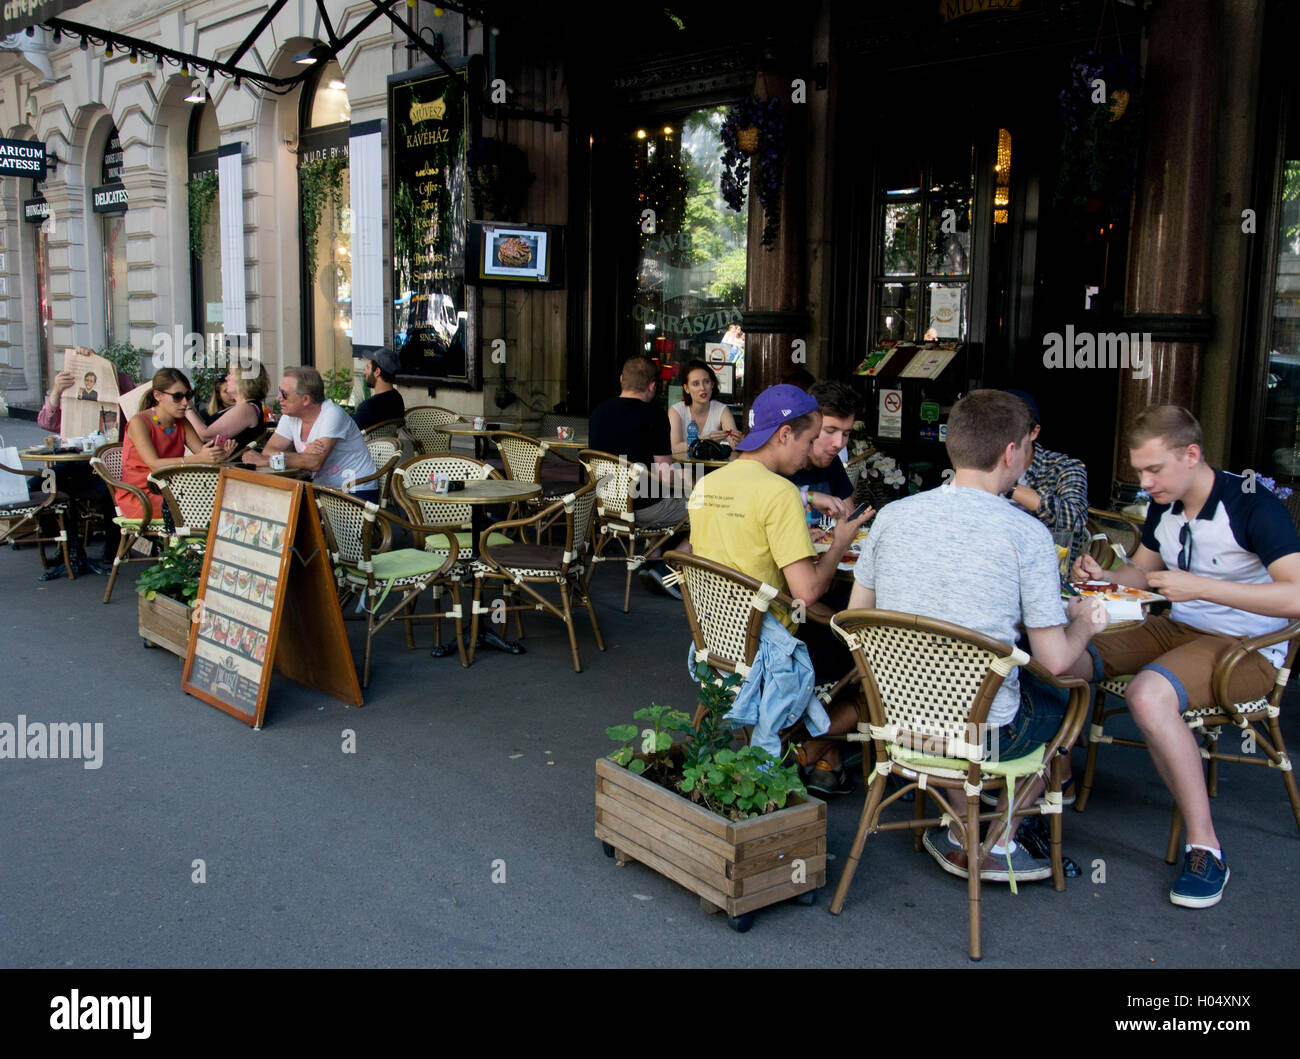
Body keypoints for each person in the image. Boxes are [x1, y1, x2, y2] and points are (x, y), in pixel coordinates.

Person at [847, 390, 1109, 882]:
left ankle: (958, 821)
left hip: (897, 720)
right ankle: (997, 838)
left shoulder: (892, 516)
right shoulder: (1026, 534)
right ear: (1012, 452)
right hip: (981, 736)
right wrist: (1085, 624)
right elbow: (1053, 661)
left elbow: (856, 618)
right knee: (1067, 695)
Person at [1066, 405, 1300, 908]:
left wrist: (1203, 588)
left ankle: (1205, 846)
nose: (1145, 482)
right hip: (1175, 629)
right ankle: (1052, 783)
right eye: (1139, 471)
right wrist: (1102, 575)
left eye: (1154, 470)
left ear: (1191, 455)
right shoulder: (1165, 504)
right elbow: (1143, 575)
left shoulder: (1253, 504)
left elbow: (1297, 596)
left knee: (1149, 698)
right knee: (1059, 653)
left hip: (1246, 648)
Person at [687, 384, 874, 793]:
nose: (810, 453)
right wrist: (840, 541)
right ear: (784, 435)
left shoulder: (706, 486)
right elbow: (807, 595)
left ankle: (820, 755)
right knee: (874, 664)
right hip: (767, 646)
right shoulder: (780, 493)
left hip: (715, 639)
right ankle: (809, 748)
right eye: (809, 440)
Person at [589, 354, 690, 598]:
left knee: (661, 494)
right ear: (653, 386)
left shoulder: (598, 413)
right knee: (706, 507)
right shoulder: (655, 415)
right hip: (644, 508)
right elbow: (665, 475)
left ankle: (651, 557)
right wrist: (691, 481)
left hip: (606, 506)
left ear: (622, 380)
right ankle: (668, 570)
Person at [243, 366, 378, 501]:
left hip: (355, 492)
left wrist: (268, 461)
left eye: (284, 394)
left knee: (288, 512)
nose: (278, 398)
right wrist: (303, 457)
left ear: (306, 400)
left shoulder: (332, 414)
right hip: (324, 491)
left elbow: (314, 463)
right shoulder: (290, 416)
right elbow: (269, 450)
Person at [118, 368, 234, 520]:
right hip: (142, 495)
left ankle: (204, 542)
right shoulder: (139, 422)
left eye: (188, 395)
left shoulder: (181, 422)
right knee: (210, 505)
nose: (185, 403)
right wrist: (200, 458)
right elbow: (154, 465)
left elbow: (202, 455)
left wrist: (218, 456)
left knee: (225, 498)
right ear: (157, 395)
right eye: (177, 397)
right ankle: (197, 543)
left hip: (173, 490)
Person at [1005, 389, 1090, 562]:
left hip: (1046, 571)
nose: (1004, 441)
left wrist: (1009, 486)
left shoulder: (1063, 467)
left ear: (1034, 432)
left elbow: (1076, 520)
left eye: (1011, 432)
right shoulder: (982, 464)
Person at [789, 380, 857, 522]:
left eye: (846, 434)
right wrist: (810, 497)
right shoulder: (779, 463)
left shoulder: (832, 462)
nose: (839, 444)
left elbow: (848, 517)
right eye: (830, 431)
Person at [186, 362, 270, 451]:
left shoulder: (246, 409)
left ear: (244, 380)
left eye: (231, 374)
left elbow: (206, 436)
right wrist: (190, 405)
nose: (226, 378)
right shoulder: (242, 406)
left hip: (232, 463)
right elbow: (204, 426)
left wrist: (186, 408)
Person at [668, 359, 741, 456]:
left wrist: (738, 441)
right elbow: (675, 447)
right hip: (682, 467)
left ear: (712, 384)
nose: (702, 388)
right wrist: (707, 439)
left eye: (706, 382)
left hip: (712, 468)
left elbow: (734, 445)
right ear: (686, 389)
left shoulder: (722, 410)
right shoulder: (676, 411)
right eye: (695, 384)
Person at [353, 347, 406, 432]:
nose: (364, 372)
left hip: (367, 445)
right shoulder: (397, 399)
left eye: (367, 367)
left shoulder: (368, 407)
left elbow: (348, 434)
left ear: (377, 372)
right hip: (390, 444)